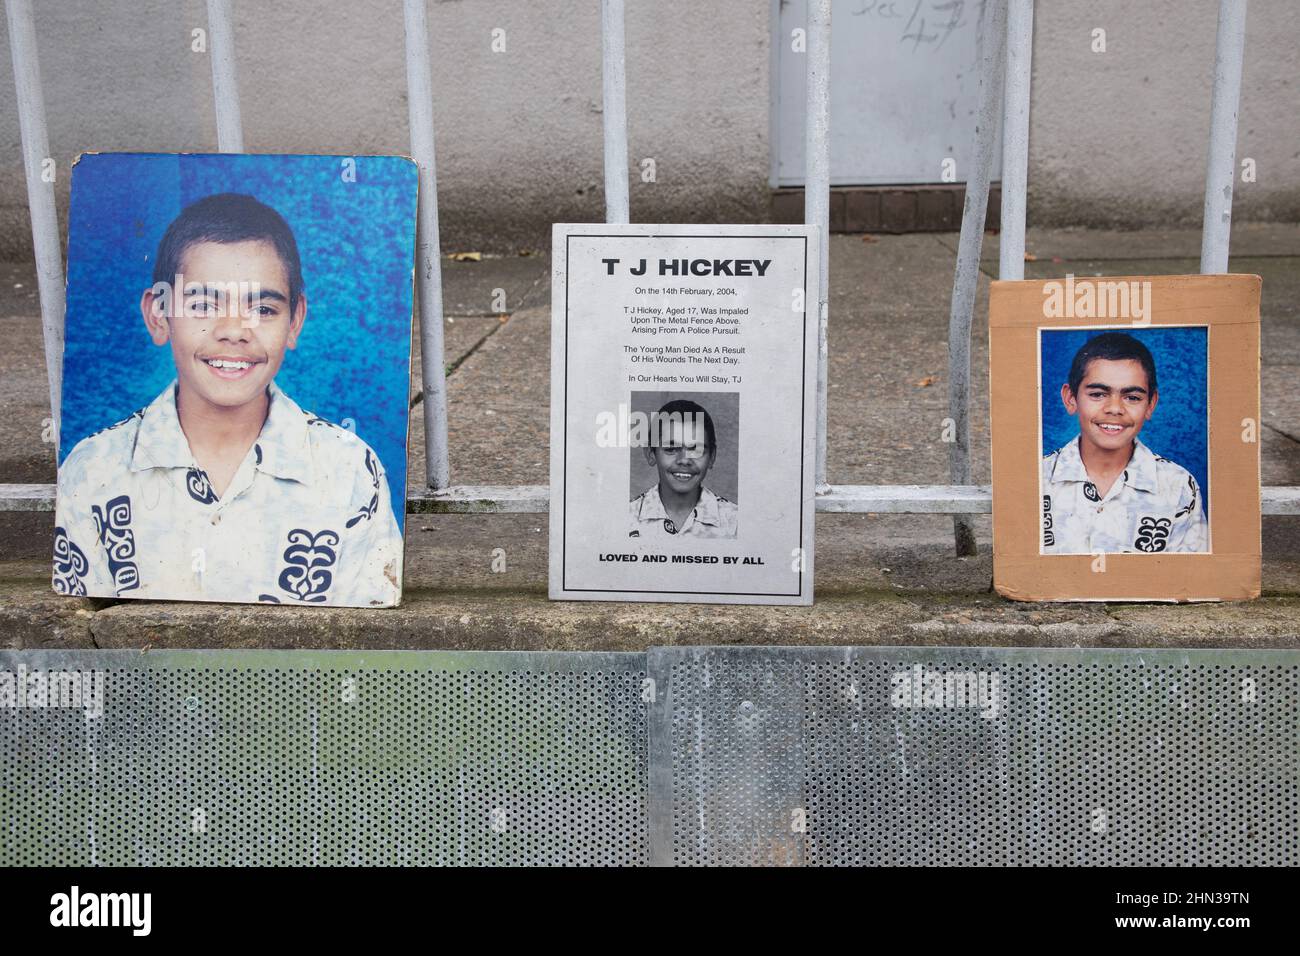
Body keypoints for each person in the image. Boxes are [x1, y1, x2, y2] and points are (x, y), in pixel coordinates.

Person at [53, 192, 403, 607]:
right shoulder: (94, 470)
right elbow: (77, 634)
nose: (234, 330)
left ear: (295, 322)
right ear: (158, 316)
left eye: (264, 310)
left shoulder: (350, 471)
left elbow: (370, 638)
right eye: (203, 305)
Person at [1041, 331, 1207, 554]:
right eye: (1098, 394)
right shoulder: (1037, 480)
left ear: (1150, 404)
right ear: (1070, 399)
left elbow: (1191, 580)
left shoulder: (1178, 486)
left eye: (1132, 398)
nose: (1115, 408)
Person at [629, 399, 737, 539]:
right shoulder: (625, 518)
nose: (684, 460)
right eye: (671, 449)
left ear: (712, 456)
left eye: (696, 449)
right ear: (651, 454)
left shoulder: (736, 523)